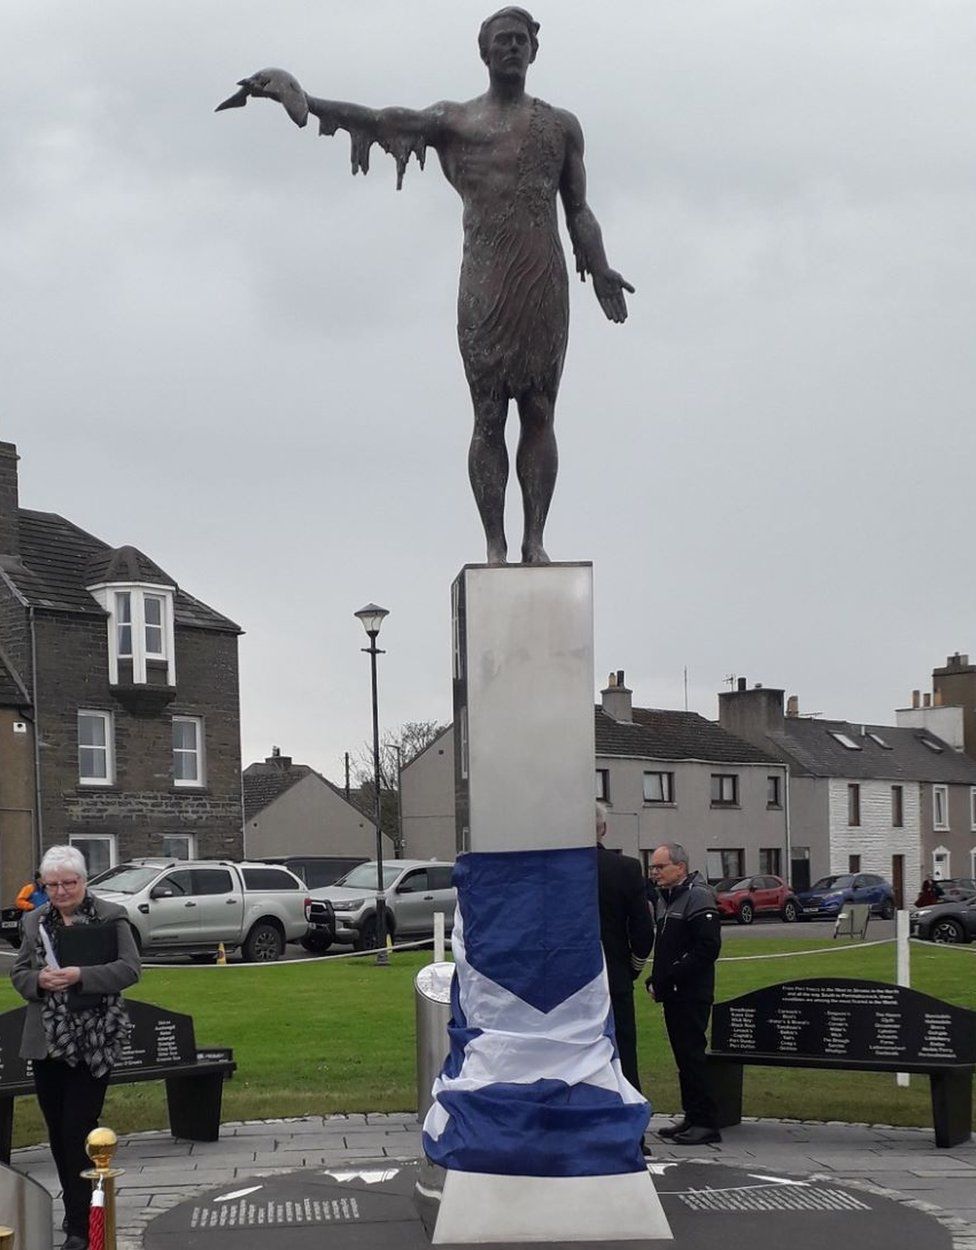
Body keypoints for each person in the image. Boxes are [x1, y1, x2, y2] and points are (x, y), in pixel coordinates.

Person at [218, 7, 634, 567]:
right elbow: (382, 120)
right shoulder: (455, 121)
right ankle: (495, 545)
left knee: (540, 410)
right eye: (502, 40)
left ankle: (534, 541)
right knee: (488, 414)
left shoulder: (560, 127)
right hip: (486, 283)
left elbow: (578, 208)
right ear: (484, 53)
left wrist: (600, 266)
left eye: (521, 40)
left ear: (534, 51)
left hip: (542, 283)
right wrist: (304, 99)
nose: (512, 47)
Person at [11, 846, 140, 1250]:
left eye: (69, 883)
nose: (61, 891)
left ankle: (82, 1225)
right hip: (47, 1042)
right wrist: (38, 981)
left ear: (84, 880)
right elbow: (19, 972)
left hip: (94, 1040)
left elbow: (130, 969)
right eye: (52, 885)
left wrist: (81, 975)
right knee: (57, 1130)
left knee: (78, 1130)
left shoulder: (111, 916)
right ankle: (76, 1210)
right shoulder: (34, 920)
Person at [645, 841, 722, 1146]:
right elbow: (667, 949)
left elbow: (707, 947)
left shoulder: (697, 895)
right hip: (674, 991)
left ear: (680, 866)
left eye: (660, 867)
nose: (655, 872)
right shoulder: (666, 899)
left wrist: (671, 975)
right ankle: (692, 1115)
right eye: (652, 867)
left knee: (692, 1055)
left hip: (692, 991)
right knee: (683, 1057)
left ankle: (706, 1121)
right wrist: (657, 978)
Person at [595, 803, 654, 1097]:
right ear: (603, 829)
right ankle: (629, 1116)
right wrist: (630, 968)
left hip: (567, 980)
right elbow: (643, 931)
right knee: (623, 1052)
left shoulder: (556, 872)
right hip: (615, 974)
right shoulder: (625, 868)